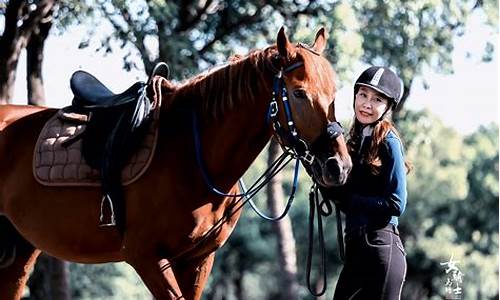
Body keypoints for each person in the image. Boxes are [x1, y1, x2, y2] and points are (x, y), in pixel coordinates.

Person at [324, 66, 411, 300]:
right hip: (356, 248)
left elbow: (397, 204)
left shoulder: (389, 142)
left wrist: (352, 200)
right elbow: (344, 196)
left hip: (381, 247)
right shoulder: (356, 141)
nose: (367, 104)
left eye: (377, 99)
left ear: (388, 107)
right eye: (363, 95)